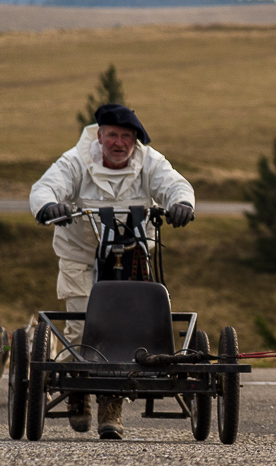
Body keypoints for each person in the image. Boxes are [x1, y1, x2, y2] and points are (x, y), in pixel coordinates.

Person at [29, 104, 196, 440]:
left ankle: (111, 407)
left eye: (127, 137)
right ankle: (78, 390)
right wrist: (50, 206)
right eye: (113, 136)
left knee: (126, 331)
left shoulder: (149, 161)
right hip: (81, 257)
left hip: (132, 255)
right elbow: (44, 188)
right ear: (100, 135)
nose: (119, 143)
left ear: (135, 140)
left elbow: (175, 185)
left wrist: (183, 204)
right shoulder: (76, 161)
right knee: (80, 329)